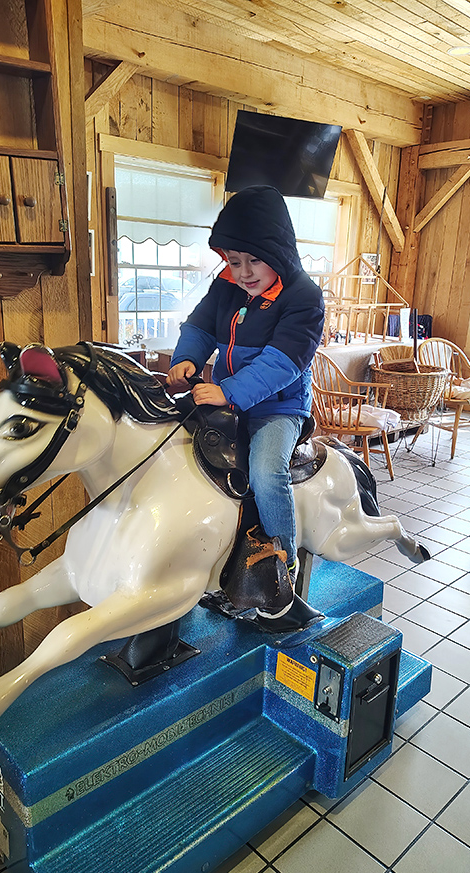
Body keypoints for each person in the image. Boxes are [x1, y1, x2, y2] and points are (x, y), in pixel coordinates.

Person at [166, 185, 325, 619]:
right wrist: (186, 359)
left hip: (278, 406)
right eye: (235, 261)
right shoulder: (227, 287)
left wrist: (229, 392)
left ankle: (281, 566)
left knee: (265, 470)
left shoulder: (304, 297)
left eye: (254, 260)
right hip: (226, 397)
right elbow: (199, 325)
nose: (244, 272)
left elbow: (282, 363)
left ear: (279, 253)